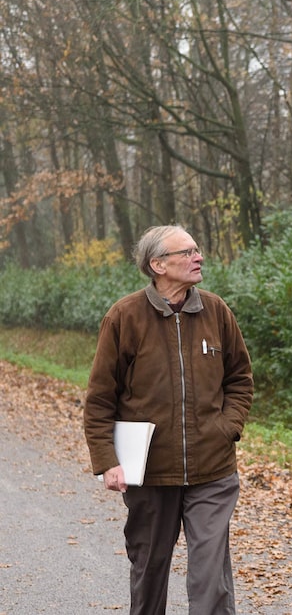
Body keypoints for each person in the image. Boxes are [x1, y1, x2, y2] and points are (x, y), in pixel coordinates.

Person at [83, 225, 253, 615]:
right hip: (150, 470)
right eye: (187, 252)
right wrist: (108, 460)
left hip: (212, 468)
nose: (199, 257)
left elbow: (240, 378)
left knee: (210, 576)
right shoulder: (124, 317)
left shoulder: (216, 311)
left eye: (198, 249)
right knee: (149, 569)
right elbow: (99, 398)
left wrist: (227, 428)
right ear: (157, 264)